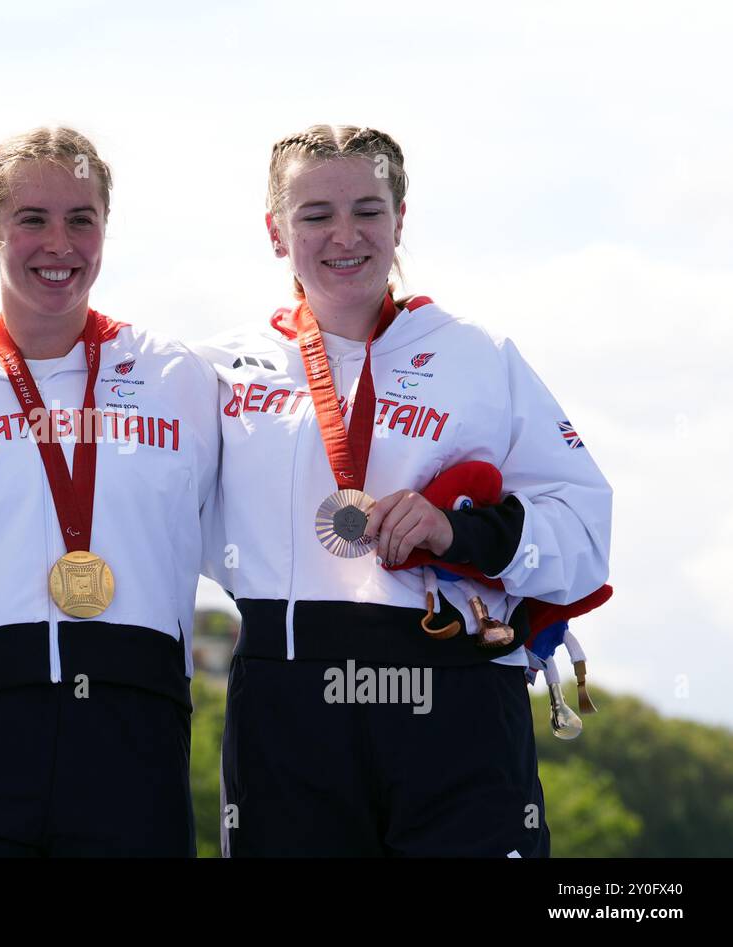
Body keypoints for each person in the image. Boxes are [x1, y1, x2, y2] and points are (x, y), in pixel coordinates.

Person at [196, 124, 613, 856]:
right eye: (315, 215)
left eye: (368, 209)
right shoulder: (216, 368)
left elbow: (584, 535)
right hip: (289, 705)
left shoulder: (477, 355)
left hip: (454, 693)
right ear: (274, 231)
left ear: (400, 218)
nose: (344, 235)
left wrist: (463, 534)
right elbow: (102, 431)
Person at [0, 127, 220, 856]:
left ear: (106, 225)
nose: (59, 243)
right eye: (32, 219)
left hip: (136, 726)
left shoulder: (179, 376)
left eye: (81, 219)